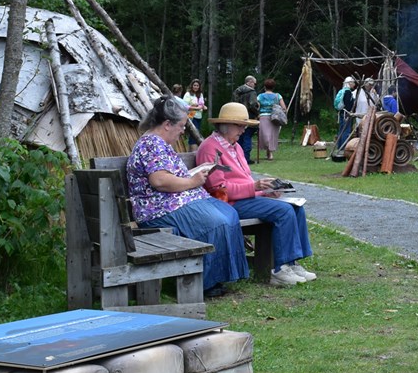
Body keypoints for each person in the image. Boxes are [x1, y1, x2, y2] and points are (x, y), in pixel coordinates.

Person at [126, 96, 250, 297]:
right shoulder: (151, 144)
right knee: (216, 221)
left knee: (228, 213)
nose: (184, 131)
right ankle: (203, 282)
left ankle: (217, 277)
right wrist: (192, 182)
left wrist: (193, 176)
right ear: (167, 124)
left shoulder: (159, 143)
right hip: (159, 210)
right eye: (182, 126)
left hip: (174, 202)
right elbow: (160, 180)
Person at [198, 102, 316, 287]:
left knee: (295, 208)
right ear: (225, 125)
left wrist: (265, 192)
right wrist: (255, 188)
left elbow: (244, 180)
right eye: (240, 125)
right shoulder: (210, 148)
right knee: (283, 212)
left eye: (245, 126)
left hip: (245, 198)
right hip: (227, 204)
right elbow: (217, 188)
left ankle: (292, 263)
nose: (244, 130)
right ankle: (279, 270)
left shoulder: (234, 146)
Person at [232, 75, 260, 164]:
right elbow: (252, 105)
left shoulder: (237, 91)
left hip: (238, 116)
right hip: (249, 117)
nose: (255, 85)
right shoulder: (252, 92)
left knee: (239, 137)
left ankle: (238, 157)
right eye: (254, 83)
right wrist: (257, 113)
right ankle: (246, 158)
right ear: (250, 82)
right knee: (248, 136)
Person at [257, 78, 286, 160]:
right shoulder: (278, 96)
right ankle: (269, 153)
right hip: (275, 117)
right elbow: (284, 107)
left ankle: (269, 153)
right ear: (273, 87)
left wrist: (257, 114)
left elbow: (257, 106)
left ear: (264, 87)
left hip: (263, 116)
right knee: (272, 135)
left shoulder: (260, 96)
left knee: (265, 135)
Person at [334, 76, 357, 151]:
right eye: (353, 82)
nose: (354, 84)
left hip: (341, 113)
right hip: (346, 114)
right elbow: (348, 104)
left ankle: (339, 146)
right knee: (346, 131)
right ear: (349, 83)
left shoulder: (342, 91)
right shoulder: (348, 92)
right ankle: (343, 148)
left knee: (341, 130)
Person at [183, 79, 207, 145]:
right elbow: (185, 105)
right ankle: (193, 150)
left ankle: (193, 149)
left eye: (197, 85)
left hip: (199, 116)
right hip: (191, 115)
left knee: (197, 132)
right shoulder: (188, 94)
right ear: (192, 86)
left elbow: (201, 104)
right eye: (194, 85)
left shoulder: (200, 94)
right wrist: (196, 108)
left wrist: (203, 106)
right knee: (194, 133)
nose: (196, 87)